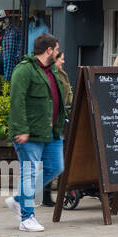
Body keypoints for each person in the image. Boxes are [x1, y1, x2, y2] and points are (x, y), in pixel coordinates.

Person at [5, 33, 68, 232]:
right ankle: (27, 217)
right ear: (49, 50)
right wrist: (21, 129)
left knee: (55, 167)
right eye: (57, 50)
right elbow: (17, 100)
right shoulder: (24, 70)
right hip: (30, 132)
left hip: (51, 131)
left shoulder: (52, 71)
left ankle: (18, 199)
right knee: (29, 173)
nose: (58, 54)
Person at [43, 47, 74, 208]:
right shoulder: (51, 75)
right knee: (50, 162)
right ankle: (44, 194)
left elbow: (68, 93)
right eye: (61, 58)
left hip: (62, 119)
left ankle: (45, 194)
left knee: (55, 162)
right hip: (52, 122)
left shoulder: (62, 74)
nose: (63, 61)